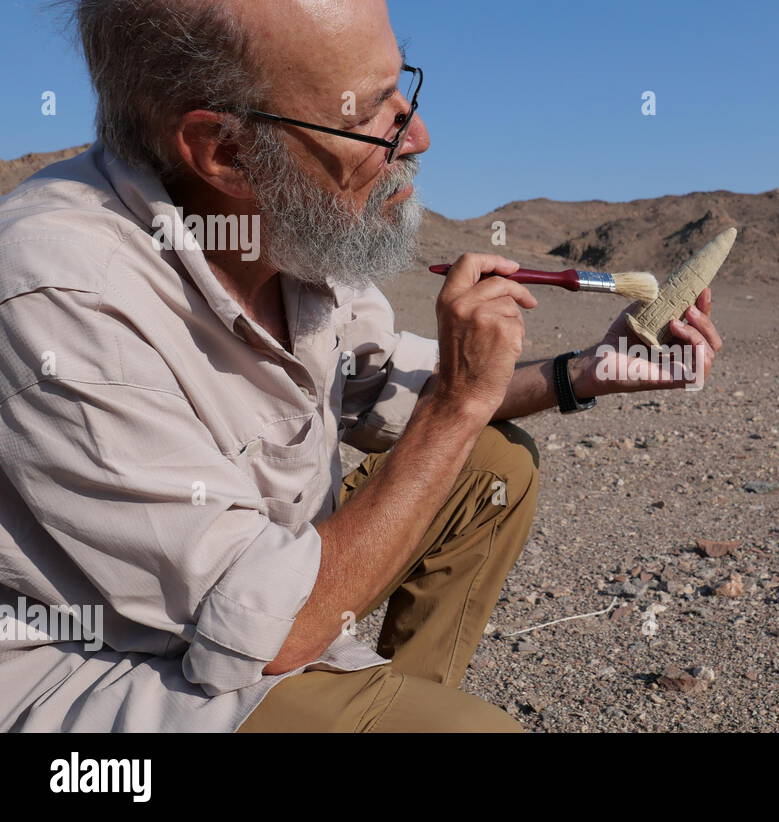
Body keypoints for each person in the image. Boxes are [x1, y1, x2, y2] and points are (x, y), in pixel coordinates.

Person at [0, 0, 722, 732]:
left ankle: (397, 703)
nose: (419, 136)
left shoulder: (288, 227)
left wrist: (586, 371)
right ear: (223, 151)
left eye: (400, 87)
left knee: (491, 469)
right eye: (367, 114)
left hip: (256, 612)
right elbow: (266, 630)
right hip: (103, 683)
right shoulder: (58, 292)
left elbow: (390, 382)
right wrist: (456, 406)